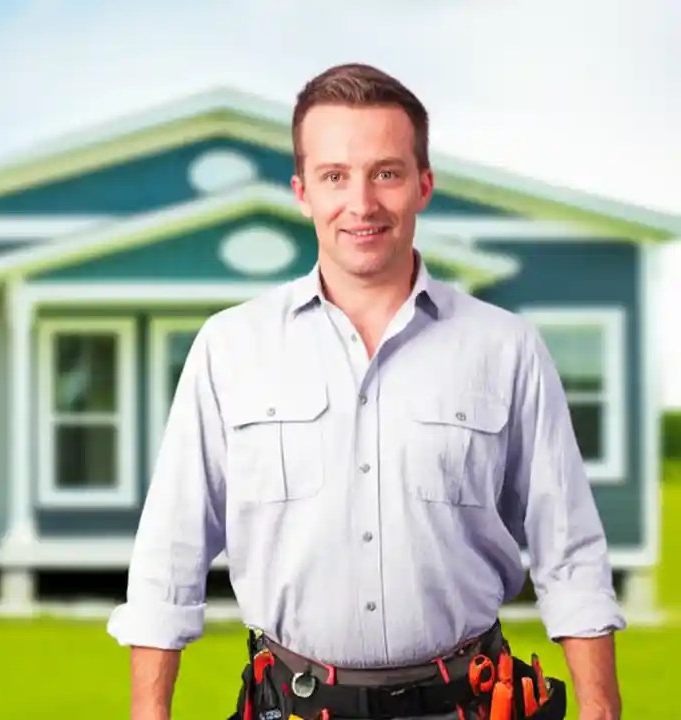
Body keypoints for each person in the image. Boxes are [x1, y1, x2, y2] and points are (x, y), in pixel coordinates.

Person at [106, 63, 626, 720]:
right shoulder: (229, 347)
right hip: (290, 705)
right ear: (301, 192)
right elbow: (169, 553)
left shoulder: (506, 347)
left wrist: (602, 708)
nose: (362, 203)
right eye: (334, 176)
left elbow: (568, 549)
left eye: (386, 172)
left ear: (423, 185)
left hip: (470, 703)